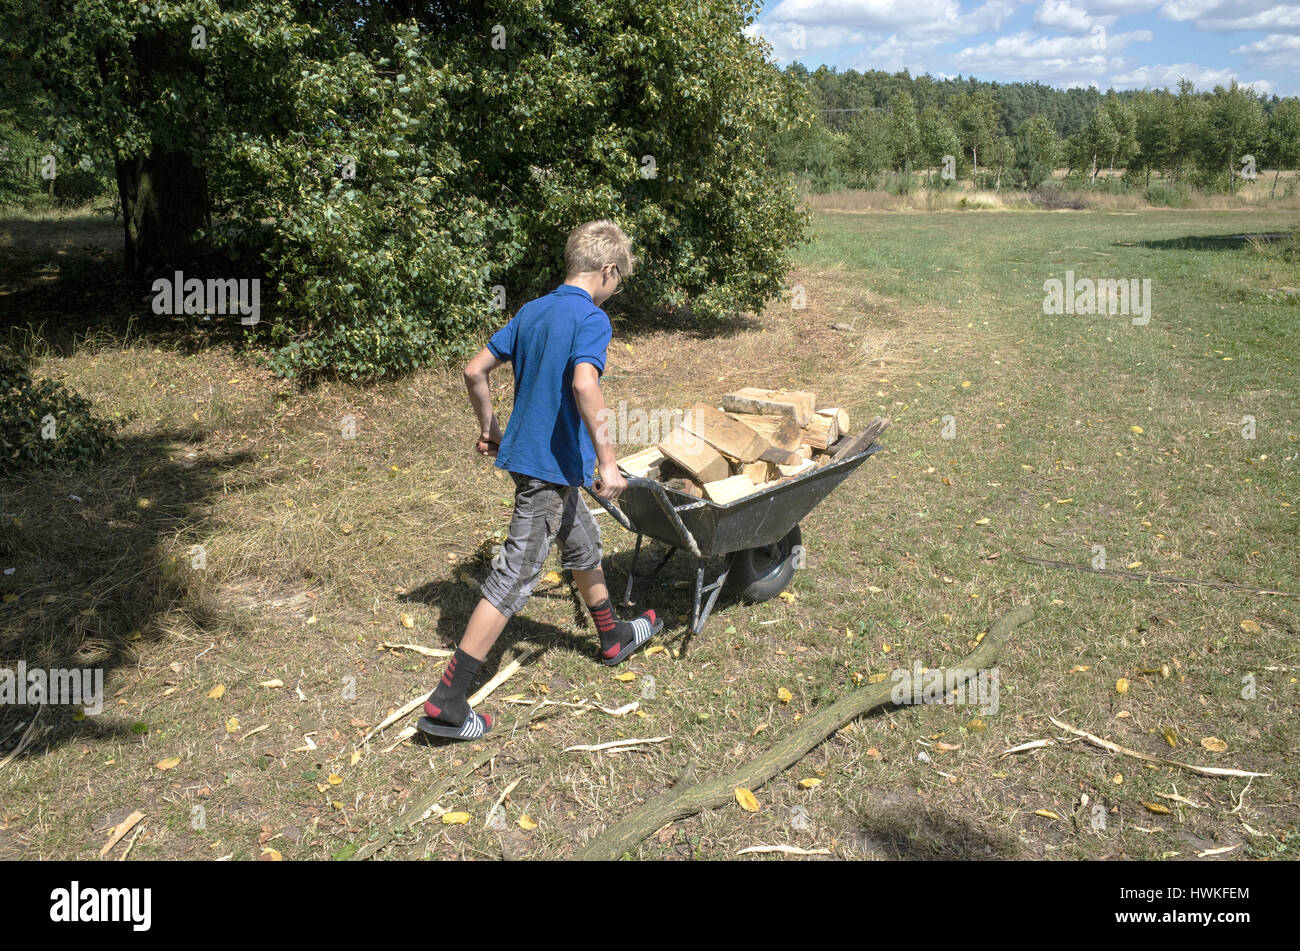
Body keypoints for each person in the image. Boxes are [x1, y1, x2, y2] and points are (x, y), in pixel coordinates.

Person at [420, 220, 663, 740]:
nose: (615, 290)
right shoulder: (591, 319)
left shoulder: (532, 310)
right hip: (548, 471)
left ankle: (612, 637)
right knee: (514, 575)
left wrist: (489, 429)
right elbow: (584, 383)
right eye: (618, 281)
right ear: (608, 270)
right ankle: (448, 700)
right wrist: (608, 461)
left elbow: (474, 371)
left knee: (582, 542)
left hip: (536, 462)